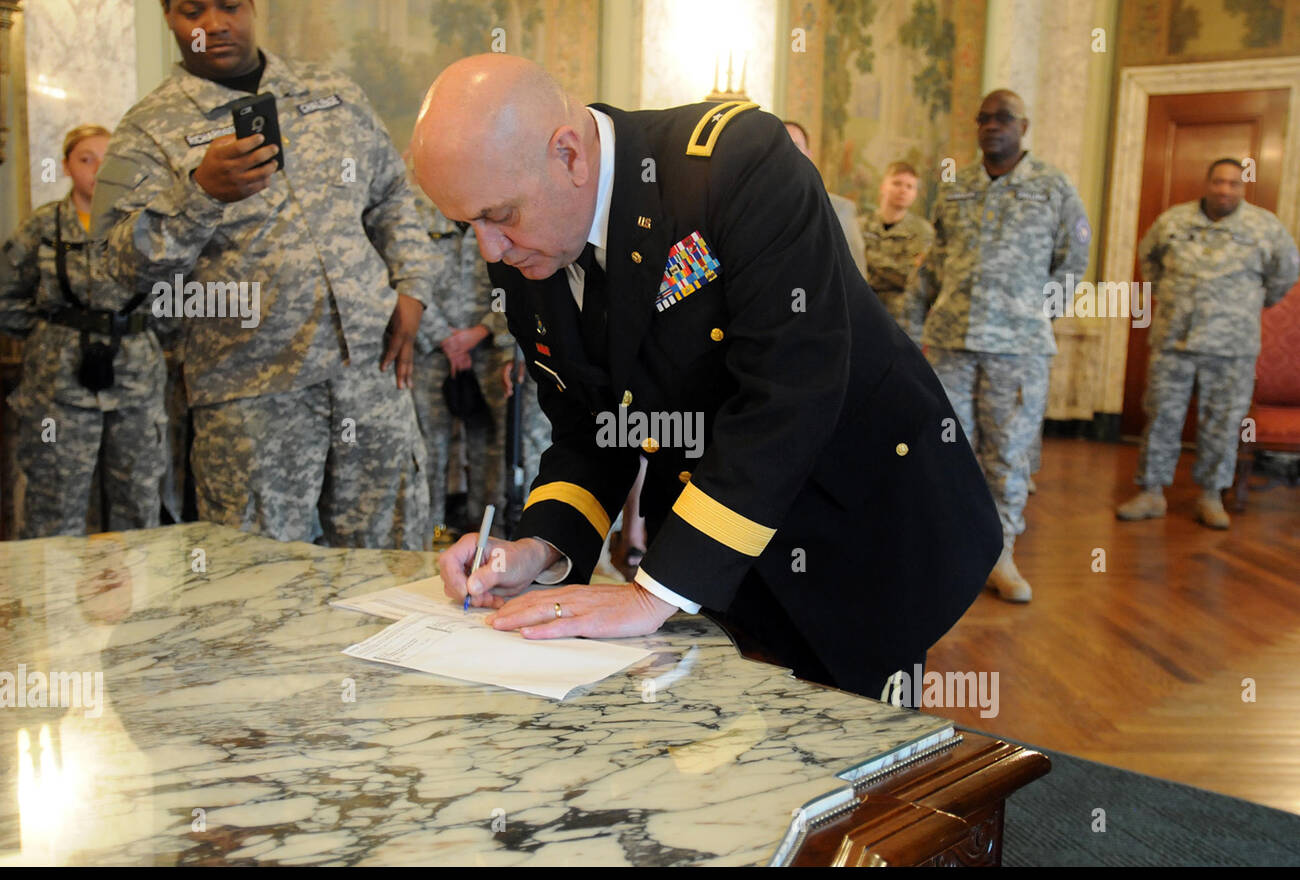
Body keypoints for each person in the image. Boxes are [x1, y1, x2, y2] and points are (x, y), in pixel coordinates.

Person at [412, 55, 1001, 701]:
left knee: (849, 762)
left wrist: (649, 595)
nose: (489, 251)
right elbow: (591, 428)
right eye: (467, 225)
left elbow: (790, 395)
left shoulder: (734, 163)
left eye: (498, 216)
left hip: (856, 525)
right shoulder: (526, 240)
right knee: (726, 757)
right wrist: (539, 547)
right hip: (712, 541)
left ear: (570, 156)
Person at [91, 0, 433, 548]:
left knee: (390, 564)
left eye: (230, 5)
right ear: (168, 19)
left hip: (372, 375)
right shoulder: (147, 131)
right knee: (257, 581)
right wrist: (199, 194)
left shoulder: (332, 92)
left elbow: (391, 195)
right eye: (192, 10)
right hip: (251, 396)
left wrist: (412, 287)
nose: (215, 24)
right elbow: (111, 270)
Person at [902, 89, 1090, 603]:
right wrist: (912, 330)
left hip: (1019, 350)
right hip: (950, 345)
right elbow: (930, 265)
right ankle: (950, 549)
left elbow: (1074, 261)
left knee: (1006, 455)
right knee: (945, 452)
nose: (992, 126)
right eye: (983, 118)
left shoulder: (1053, 187)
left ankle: (1000, 554)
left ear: (1023, 126)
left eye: (1003, 118)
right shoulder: (956, 187)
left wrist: (1034, 315)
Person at [0, 124, 167, 538]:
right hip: (59, 387)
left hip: (136, 381)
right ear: (66, 167)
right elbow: (4, 297)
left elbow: (174, 296)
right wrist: (54, 334)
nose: (97, 169)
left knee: (138, 497)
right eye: (85, 159)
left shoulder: (146, 226)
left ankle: (139, 599)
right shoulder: (44, 226)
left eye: (107, 160)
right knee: (54, 499)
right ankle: (51, 600)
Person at [1117, 158, 1299, 528]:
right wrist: (1173, 297)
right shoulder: (1173, 221)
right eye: (1218, 182)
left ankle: (1211, 495)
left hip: (1232, 347)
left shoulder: (1266, 228)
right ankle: (1151, 492)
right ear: (1207, 183)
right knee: (1162, 417)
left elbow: (1285, 276)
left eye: (1233, 183)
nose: (1225, 190)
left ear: (1243, 187)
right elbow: (1148, 261)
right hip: (1174, 340)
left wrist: (1247, 306)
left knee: (1223, 422)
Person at [412, 197, 545, 541]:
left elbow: (516, 283)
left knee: (492, 445)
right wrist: (443, 337)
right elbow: (407, 276)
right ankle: (427, 532)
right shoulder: (416, 208)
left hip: (492, 349)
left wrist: (483, 331)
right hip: (428, 349)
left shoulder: (496, 206)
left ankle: (489, 532)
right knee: (429, 446)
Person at [783, 120, 868, 278]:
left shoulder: (840, 210)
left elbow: (856, 278)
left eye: (795, 146)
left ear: (808, 155)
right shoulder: (749, 208)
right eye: (779, 146)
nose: (787, 153)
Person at [861, 161, 933, 342]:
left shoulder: (923, 232)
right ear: (883, 186)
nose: (903, 190)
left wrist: (867, 257)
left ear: (915, 194)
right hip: (860, 315)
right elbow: (845, 269)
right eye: (897, 183)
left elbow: (908, 276)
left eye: (910, 186)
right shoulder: (859, 225)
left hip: (902, 324)